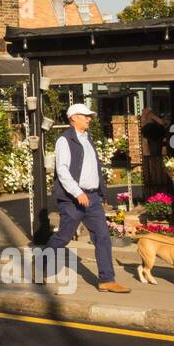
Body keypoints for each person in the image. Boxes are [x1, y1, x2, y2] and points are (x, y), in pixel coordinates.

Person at [48, 103, 130, 293]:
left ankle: (106, 280)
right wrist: (78, 193)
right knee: (64, 237)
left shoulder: (87, 138)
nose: (89, 118)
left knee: (102, 237)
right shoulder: (64, 140)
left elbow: (94, 169)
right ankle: (40, 263)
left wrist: (100, 193)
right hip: (73, 198)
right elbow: (62, 170)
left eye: (89, 116)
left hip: (92, 197)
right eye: (85, 116)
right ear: (73, 118)